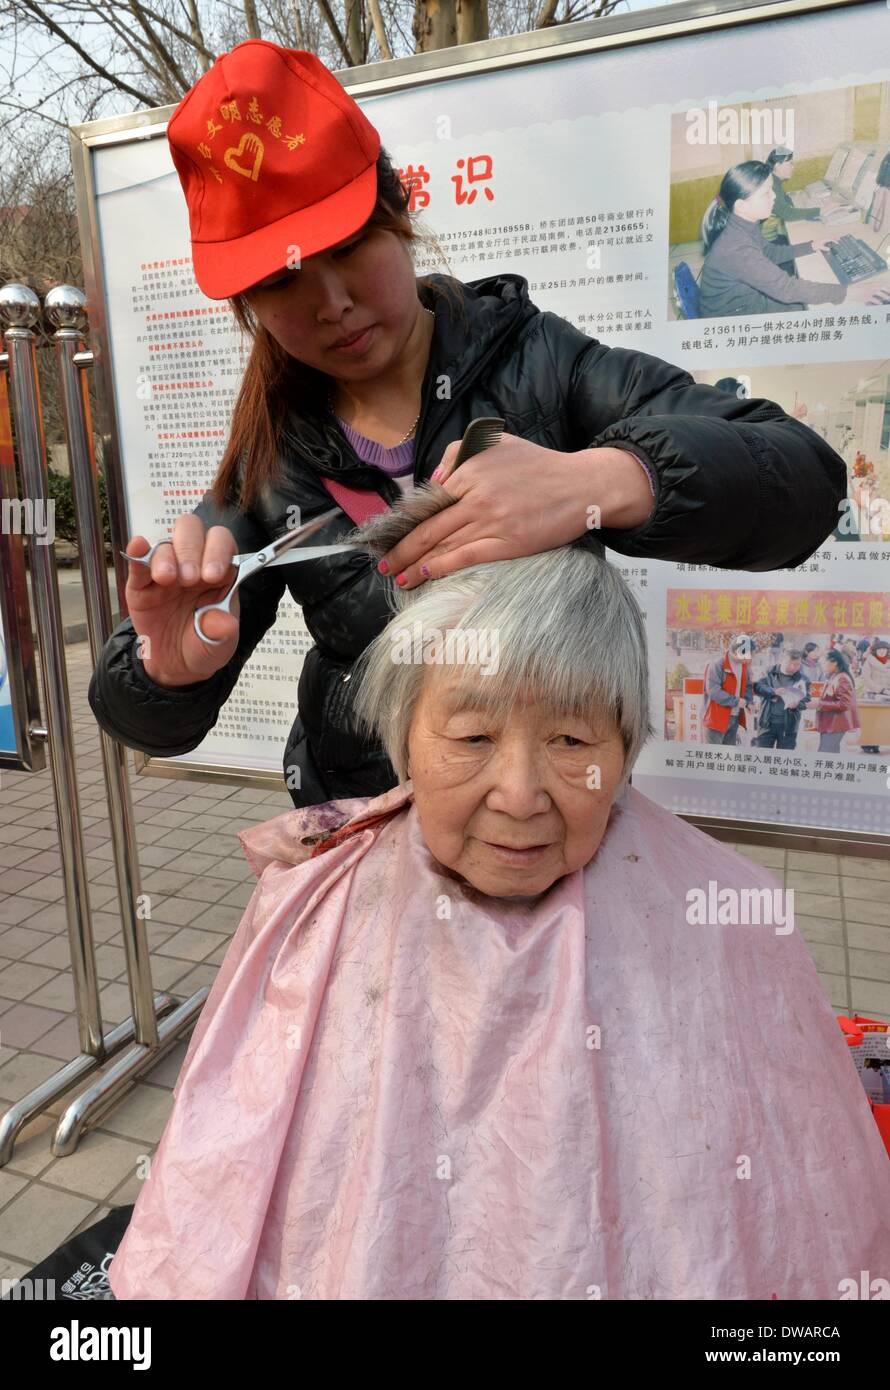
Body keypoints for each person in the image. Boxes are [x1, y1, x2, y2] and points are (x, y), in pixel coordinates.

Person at [101, 488, 890, 1300]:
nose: (519, 795)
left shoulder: (728, 917)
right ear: (403, 735)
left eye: (572, 740)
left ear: (626, 747)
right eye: (473, 737)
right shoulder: (318, 902)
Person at [88, 43, 850, 810]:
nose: (331, 303)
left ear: (401, 219)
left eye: (349, 246)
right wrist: (164, 671)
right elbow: (143, 722)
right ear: (246, 307)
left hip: (534, 819)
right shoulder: (273, 455)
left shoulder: (539, 363)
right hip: (365, 830)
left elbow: (803, 478)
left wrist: (600, 480)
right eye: (280, 280)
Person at [697, 161, 877, 318]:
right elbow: (787, 290)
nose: (774, 196)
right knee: (826, 311)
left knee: (815, 301)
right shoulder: (737, 249)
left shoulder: (743, 225)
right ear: (741, 205)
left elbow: (768, 252)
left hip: (745, 304)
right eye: (766, 193)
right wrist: (847, 292)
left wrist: (811, 246)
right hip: (735, 319)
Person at [759, 145, 822, 250]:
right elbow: (788, 214)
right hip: (767, 241)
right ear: (777, 166)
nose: (793, 167)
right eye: (790, 164)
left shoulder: (773, 180)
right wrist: (820, 210)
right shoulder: (772, 185)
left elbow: (784, 200)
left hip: (766, 236)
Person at [702, 634, 755, 745]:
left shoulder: (744, 666)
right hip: (716, 719)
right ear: (737, 651)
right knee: (713, 757)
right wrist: (736, 701)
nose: (749, 658)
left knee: (728, 755)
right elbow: (713, 691)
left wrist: (749, 702)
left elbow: (748, 686)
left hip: (734, 718)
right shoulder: (718, 665)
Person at [752, 648, 811, 749]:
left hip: (789, 727)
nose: (793, 667)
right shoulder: (768, 672)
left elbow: (807, 700)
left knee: (784, 759)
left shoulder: (803, 679)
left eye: (797, 664)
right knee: (761, 757)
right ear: (781, 660)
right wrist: (773, 692)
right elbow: (758, 687)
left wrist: (798, 704)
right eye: (789, 663)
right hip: (766, 724)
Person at [811, 647, 860, 753]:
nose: (822, 666)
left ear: (835, 662)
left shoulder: (842, 678)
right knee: (830, 753)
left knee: (826, 753)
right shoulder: (835, 676)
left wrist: (819, 704)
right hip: (831, 723)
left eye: (824, 663)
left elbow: (843, 704)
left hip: (835, 724)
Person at [859, 636, 890, 753]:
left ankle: (876, 742)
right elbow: (866, 679)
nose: (882, 651)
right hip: (871, 694)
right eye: (879, 649)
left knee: (882, 720)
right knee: (869, 720)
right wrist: (880, 689)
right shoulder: (869, 661)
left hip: (886, 696)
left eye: (884, 649)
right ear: (875, 651)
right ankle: (867, 743)